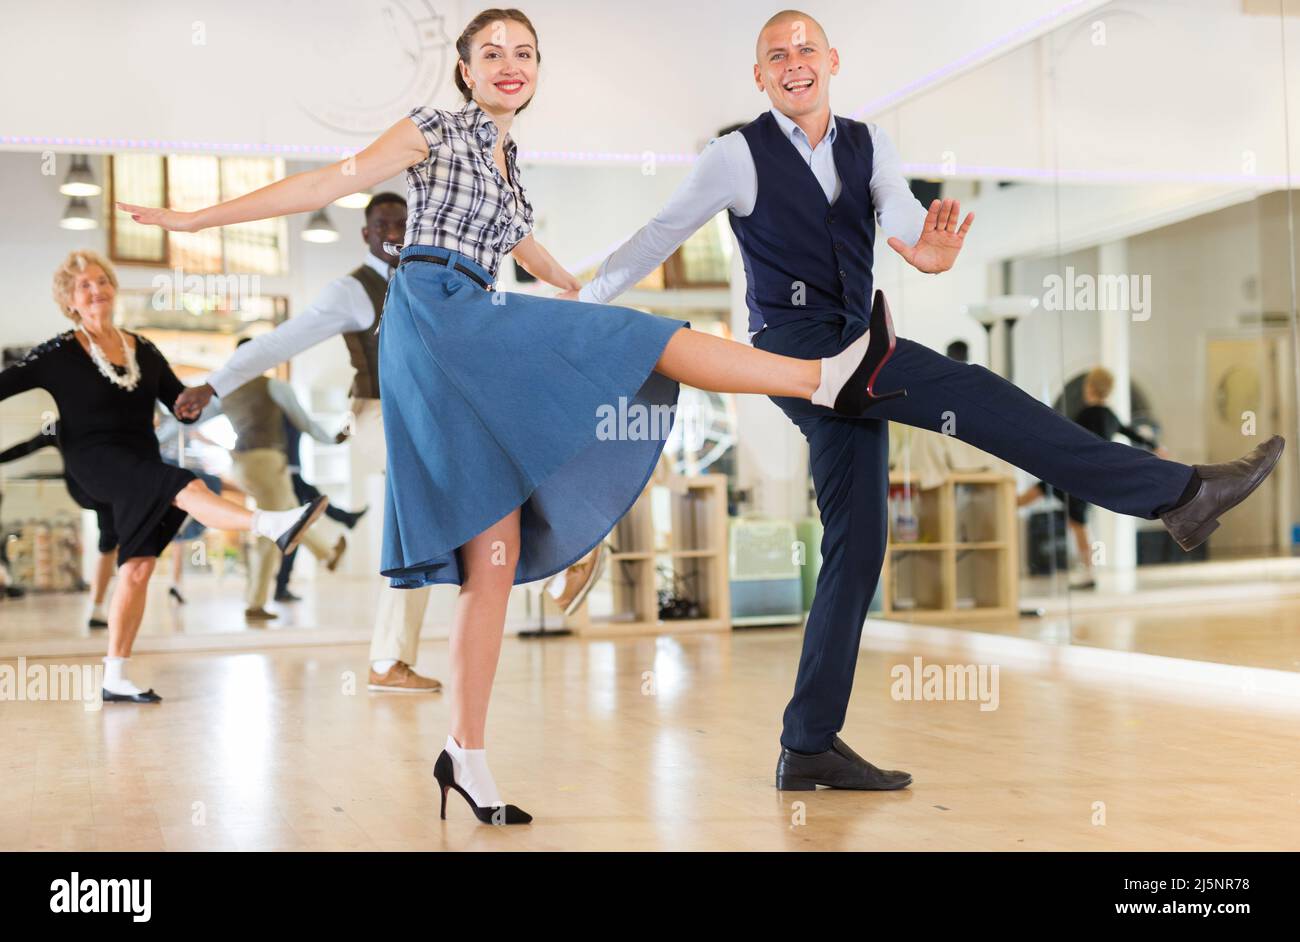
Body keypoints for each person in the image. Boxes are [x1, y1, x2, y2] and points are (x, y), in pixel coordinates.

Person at [121, 8, 905, 823]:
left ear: (536, 70)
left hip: (476, 313)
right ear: (464, 69)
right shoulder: (434, 128)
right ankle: (822, 377)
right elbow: (329, 182)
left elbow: (535, 255)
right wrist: (192, 220)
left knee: (490, 559)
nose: (509, 64)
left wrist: (581, 288)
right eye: (490, 52)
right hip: (435, 313)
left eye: (524, 53)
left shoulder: (509, 161)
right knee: (647, 341)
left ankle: (465, 754)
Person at [570, 9, 1285, 792]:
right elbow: (659, 233)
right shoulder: (735, 156)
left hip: (857, 352)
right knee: (983, 398)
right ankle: (1179, 492)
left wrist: (925, 248)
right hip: (799, 353)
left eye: (806, 49)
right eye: (778, 55)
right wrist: (580, 297)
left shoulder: (870, 143)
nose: (794, 62)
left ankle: (808, 744)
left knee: (860, 538)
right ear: (760, 76)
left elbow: (904, 216)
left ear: (832, 60)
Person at [0, 250, 331, 703]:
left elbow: (182, 405)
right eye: (84, 286)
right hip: (95, 463)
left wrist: (193, 404)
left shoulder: (145, 350)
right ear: (69, 300)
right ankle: (271, 523)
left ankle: (115, 676)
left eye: (102, 281)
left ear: (113, 288)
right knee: (181, 483)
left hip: (140, 458)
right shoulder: (58, 353)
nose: (96, 290)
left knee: (137, 569)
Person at [173, 193, 444, 691]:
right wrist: (213, 384)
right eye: (383, 224)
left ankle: (388, 662)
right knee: (424, 507)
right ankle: (385, 655)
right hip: (378, 415)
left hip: (434, 417)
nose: (395, 231)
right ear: (366, 234)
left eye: (404, 222)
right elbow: (280, 341)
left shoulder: (433, 278)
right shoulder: (352, 290)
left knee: (422, 526)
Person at [221, 337, 349, 621]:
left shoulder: (226, 392)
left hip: (241, 464)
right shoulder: (272, 386)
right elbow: (304, 422)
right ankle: (255, 603)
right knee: (275, 531)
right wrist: (332, 439)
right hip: (266, 462)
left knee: (292, 516)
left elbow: (194, 415)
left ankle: (326, 554)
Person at [1018, 367, 1172, 590]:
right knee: (1074, 521)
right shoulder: (1110, 415)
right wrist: (1155, 445)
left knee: (1075, 523)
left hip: (1074, 475)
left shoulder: (1087, 414)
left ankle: (1088, 572)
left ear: (1089, 387)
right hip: (1082, 476)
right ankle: (1088, 571)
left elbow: (1070, 436)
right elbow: (1131, 433)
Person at [0, 421, 118, 625]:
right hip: (96, 489)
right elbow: (27, 446)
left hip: (91, 488)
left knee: (110, 545)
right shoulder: (61, 426)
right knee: (111, 545)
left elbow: (28, 446)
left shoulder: (62, 425)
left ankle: (98, 608)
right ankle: (99, 606)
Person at [275, 414, 368, 604]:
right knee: (295, 530)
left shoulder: (287, 413)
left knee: (300, 524)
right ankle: (343, 526)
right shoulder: (278, 414)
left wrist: (342, 434)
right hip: (285, 477)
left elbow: (316, 431)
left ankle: (282, 587)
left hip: (290, 475)